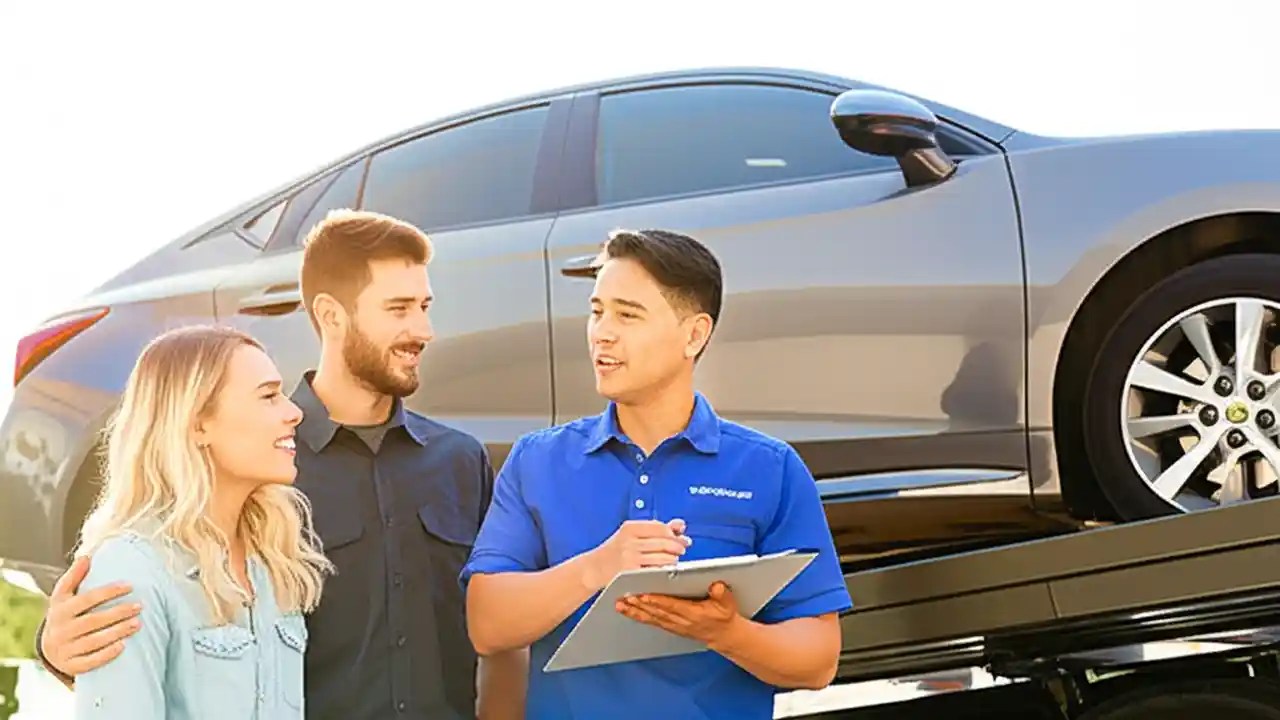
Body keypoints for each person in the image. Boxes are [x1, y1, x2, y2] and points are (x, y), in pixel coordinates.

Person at [37, 210, 527, 720]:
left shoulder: (459, 462)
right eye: (399, 308)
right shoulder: (263, 471)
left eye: (425, 306)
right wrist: (55, 649)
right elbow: (154, 593)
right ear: (332, 315)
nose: (423, 330)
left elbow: (499, 622)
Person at [461, 228, 852, 719]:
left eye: (628, 315)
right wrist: (598, 567)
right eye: (597, 310)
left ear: (694, 334)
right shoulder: (537, 461)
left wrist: (726, 633)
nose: (602, 332)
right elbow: (487, 623)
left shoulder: (770, 469)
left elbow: (818, 661)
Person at [69, 324, 333, 718]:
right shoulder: (129, 568)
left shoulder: (273, 561)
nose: (294, 412)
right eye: (268, 396)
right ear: (197, 424)